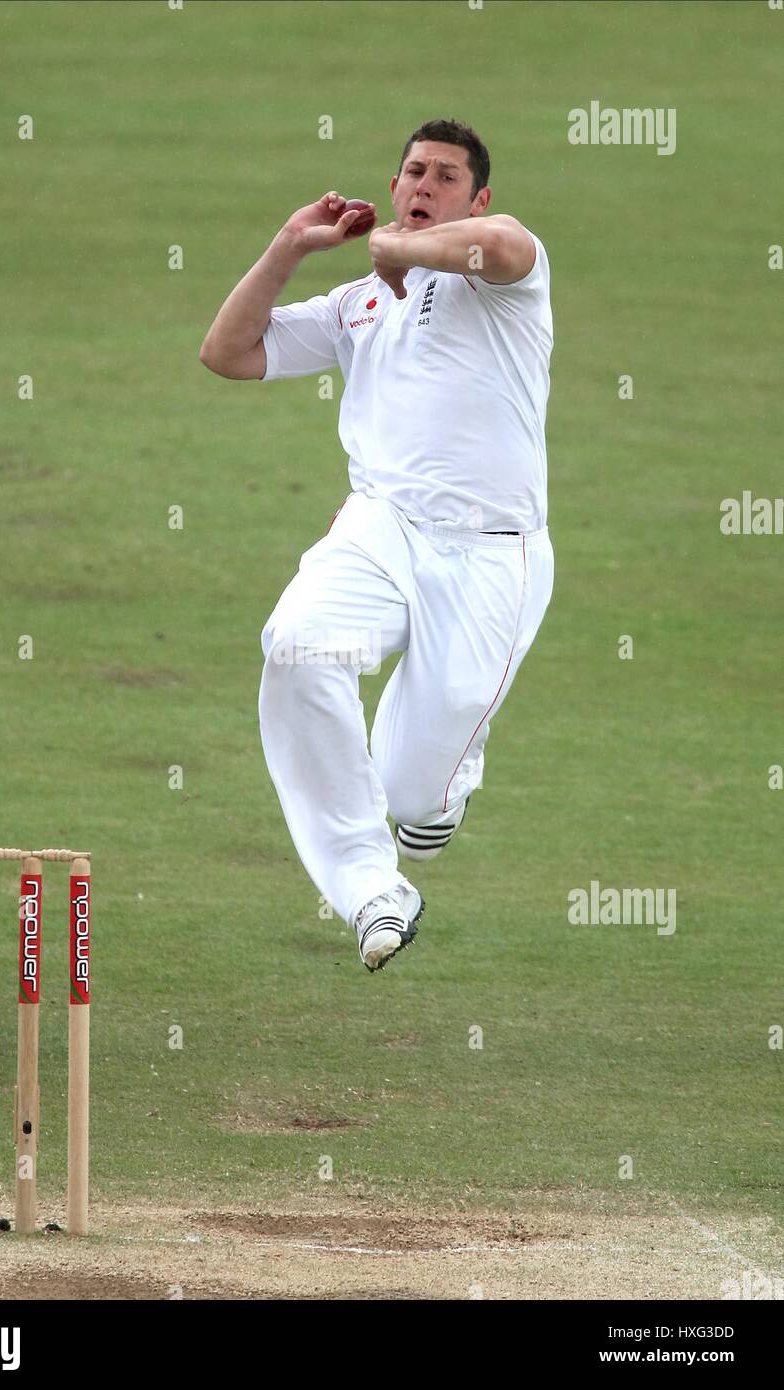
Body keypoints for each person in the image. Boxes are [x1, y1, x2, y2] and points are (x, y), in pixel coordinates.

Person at [200, 118, 554, 972]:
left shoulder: (509, 275)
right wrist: (289, 244)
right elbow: (228, 352)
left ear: (476, 196)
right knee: (294, 646)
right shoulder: (358, 303)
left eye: (444, 177)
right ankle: (368, 886)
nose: (424, 185)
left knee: (410, 795)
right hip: (380, 528)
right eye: (412, 173)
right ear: (392, 186)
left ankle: (441, 791)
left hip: (489, 555)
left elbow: (500, 248)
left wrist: (402, 249)